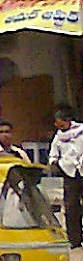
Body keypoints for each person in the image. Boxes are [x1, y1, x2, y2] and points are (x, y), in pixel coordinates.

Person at [51, 106, 83, 248]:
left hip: (81, 168)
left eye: (60, 122)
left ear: (68, 120)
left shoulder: (81, 131)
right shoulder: (58, 137)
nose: (57, 125)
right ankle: (74, 240)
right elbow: (53, 153)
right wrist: (55, 163)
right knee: (71, 207)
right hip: (69, 173)